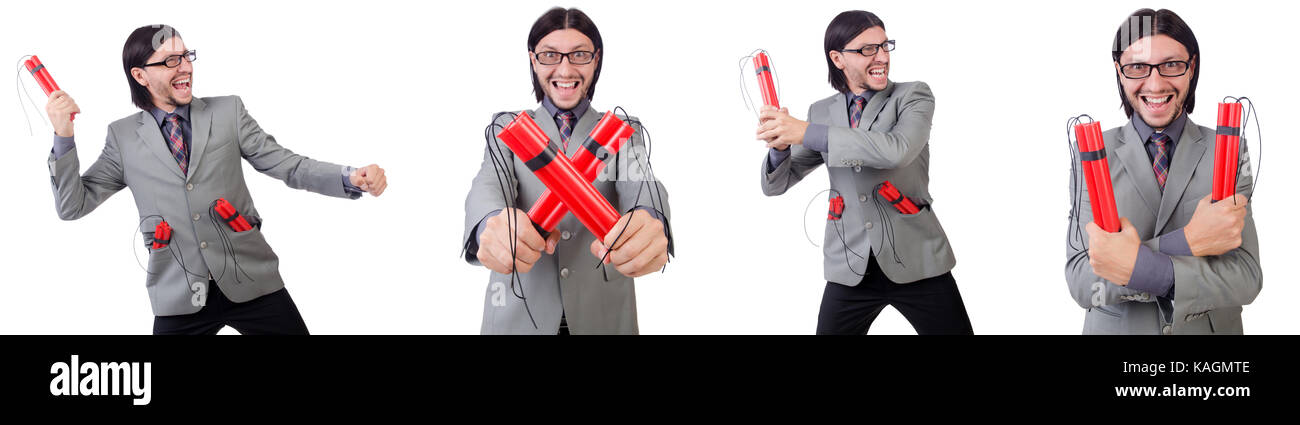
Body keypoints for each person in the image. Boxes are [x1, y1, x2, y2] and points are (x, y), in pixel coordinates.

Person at [44, 25, 387, 334]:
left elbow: (288, 165)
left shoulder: (228, 112)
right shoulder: (122, 138)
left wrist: (350, 177)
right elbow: (72, 205)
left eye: (186, 56)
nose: (186, 67)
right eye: (170, 60)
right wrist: (64, 134)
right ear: (140, 75)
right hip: (178, 293)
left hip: (253, 281)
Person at [758, 10, 971, 335]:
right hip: (850, 264)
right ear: (838, 58)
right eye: (867, 49)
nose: (882, 57)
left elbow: (896, 149)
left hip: (917, 259)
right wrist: (780, 144)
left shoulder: (913, 95)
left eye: (885, 46)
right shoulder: (822, 112)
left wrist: (805, 131)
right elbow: (777, 184)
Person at [462, 8, 673, 335]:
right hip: (521, 315)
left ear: (596, 60)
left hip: (602, 316)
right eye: (549, 55)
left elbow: (642, 183)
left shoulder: (621, 131)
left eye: (579, 54)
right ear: (533, 61)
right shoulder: (508, 128)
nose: (565, 68)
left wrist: (649, 218)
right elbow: (488, 184)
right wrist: (489, 223)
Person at [1065, 9, 1261, 334]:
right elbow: (1084, 283)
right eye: (1137, 67)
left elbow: (1246, 277)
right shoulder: (1090, 153)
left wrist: (1135, 263)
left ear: (1192, 67)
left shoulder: (1226, 150)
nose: (1155, 84)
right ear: (1119, 70)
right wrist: (1189, 241)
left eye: (1171, 64)